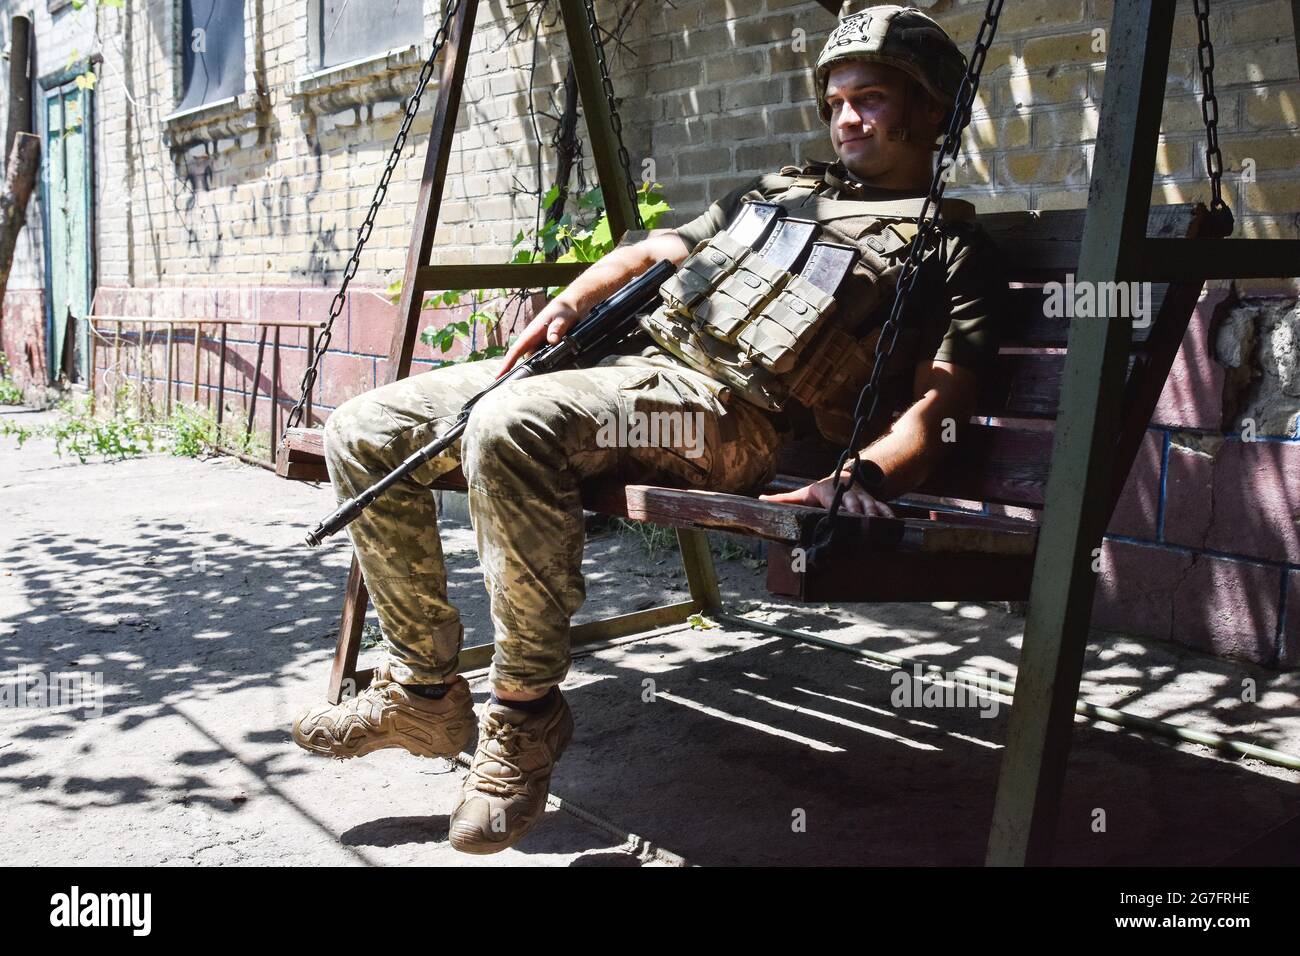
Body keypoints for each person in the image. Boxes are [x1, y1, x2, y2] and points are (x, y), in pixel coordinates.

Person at [292, 4, 1007, 854]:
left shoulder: (950, 248)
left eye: (875, 98)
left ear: (932, 110)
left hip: (731, 419)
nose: (848, 117)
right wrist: (567, 304)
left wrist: (859, 479)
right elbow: (659, 251)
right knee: (367, 425)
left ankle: (522, 718)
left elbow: (941, 401)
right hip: (629, 366)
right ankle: (424, 694)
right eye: (837, 100)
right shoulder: (783, 191)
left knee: (512, 426)